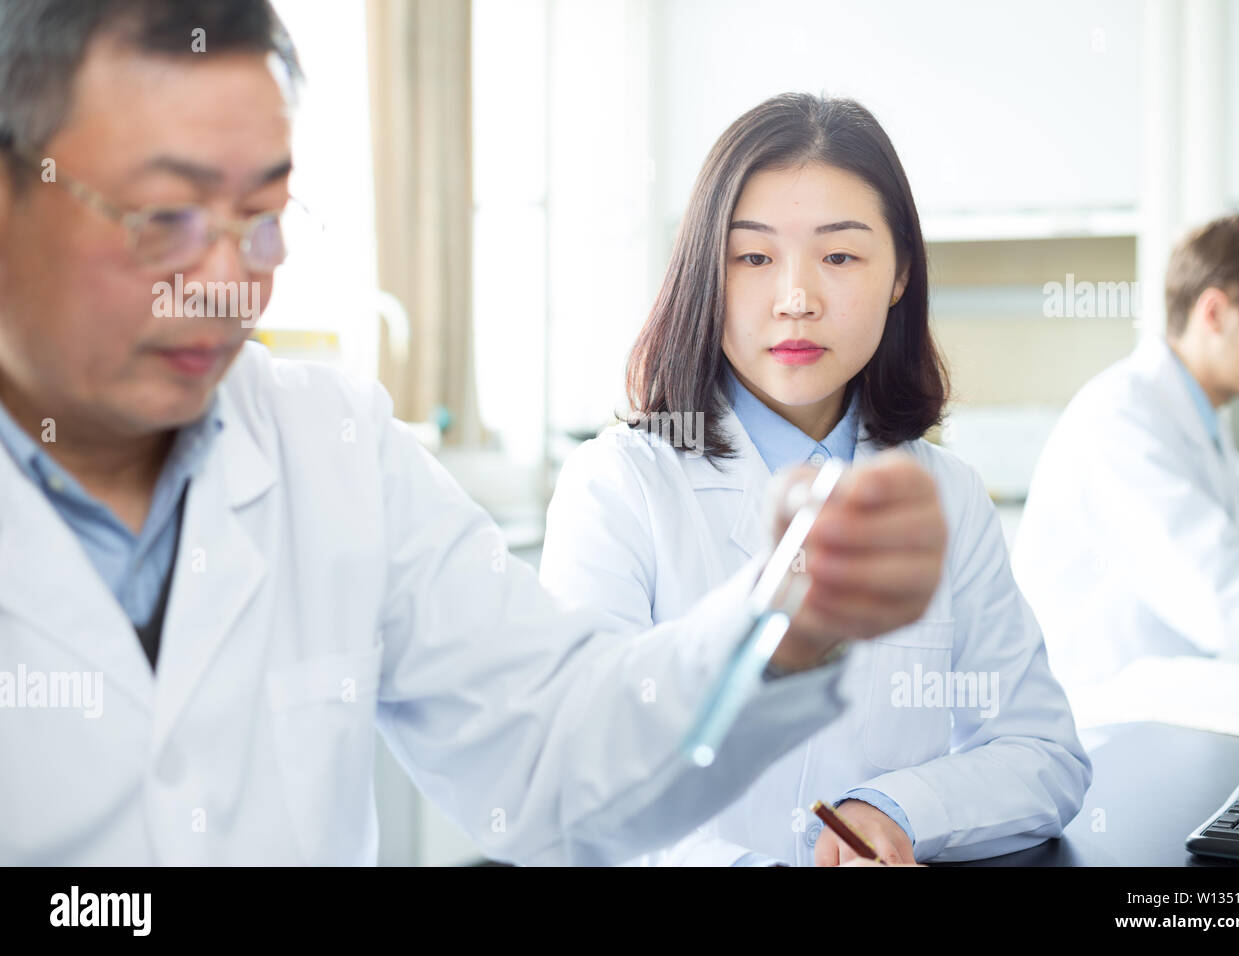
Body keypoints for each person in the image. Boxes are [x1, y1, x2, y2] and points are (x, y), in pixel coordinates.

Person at [0, 1, 949, 865]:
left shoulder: (330, 445)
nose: (226, 283)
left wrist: (785, 623)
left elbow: (554, 750)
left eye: (261, 216)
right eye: (164, 216)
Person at [538, 93, 1090, 866]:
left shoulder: (947, 494)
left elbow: (1042, 753)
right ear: (709, 274)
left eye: (840, 256)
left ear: (900, 274)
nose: (796, 298)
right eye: (754, 257)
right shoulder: (618, 486)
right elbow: (581, 783)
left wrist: (892, 810)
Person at [1013, 214, 1239, 693]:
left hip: (1160, 713)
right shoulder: (1120, 418)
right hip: (1097, 727)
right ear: (1215, 314)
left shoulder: (1199, 426)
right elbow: (1226, 601)